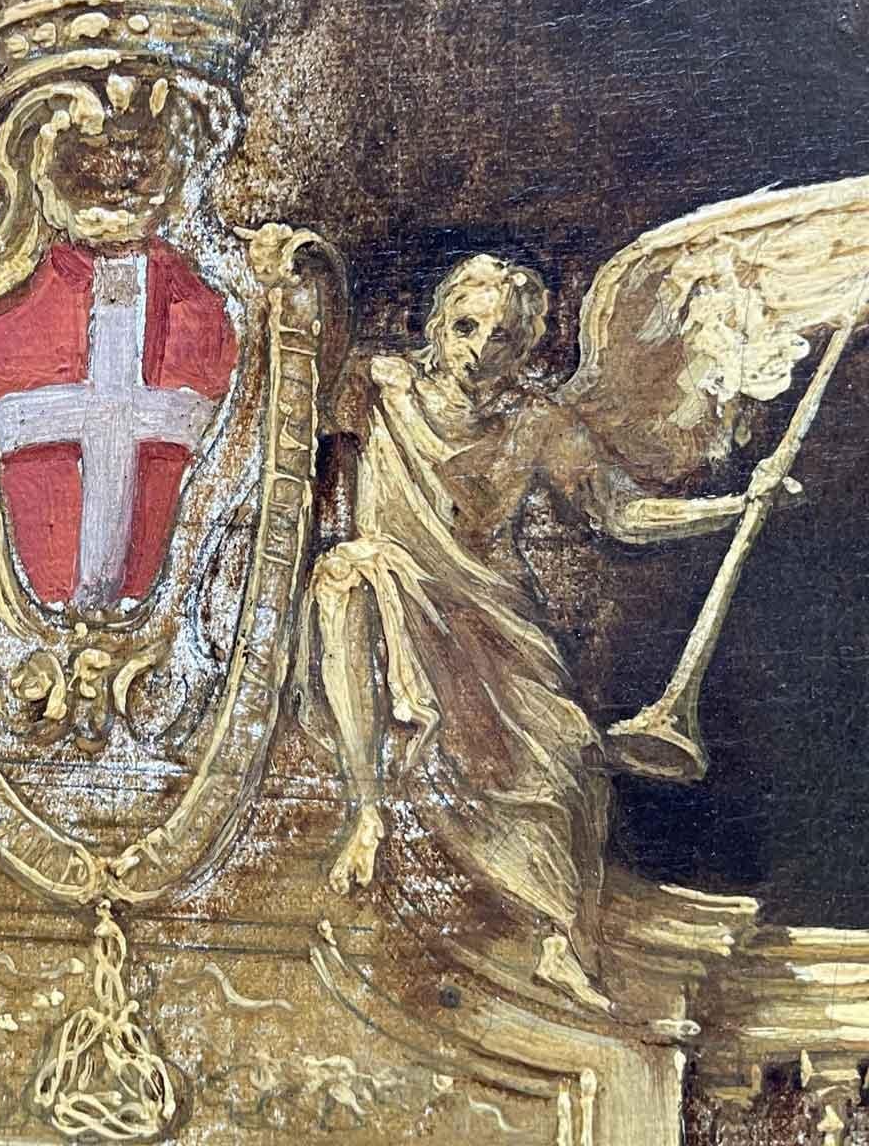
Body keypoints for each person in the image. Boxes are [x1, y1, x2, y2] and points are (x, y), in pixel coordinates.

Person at [314, 253, 796, 1011]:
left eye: (503, 338)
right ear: (438, 326)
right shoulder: (377, 388)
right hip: (396, 594)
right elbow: (281, 422)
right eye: (467, 328)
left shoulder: (536, 423)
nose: (481, 350)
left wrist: (736, 507)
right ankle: (368, 808)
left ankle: (560, 940)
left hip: (494, 625)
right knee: (350, 572)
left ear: (526, 349)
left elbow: (619, 511)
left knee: (569, 755)